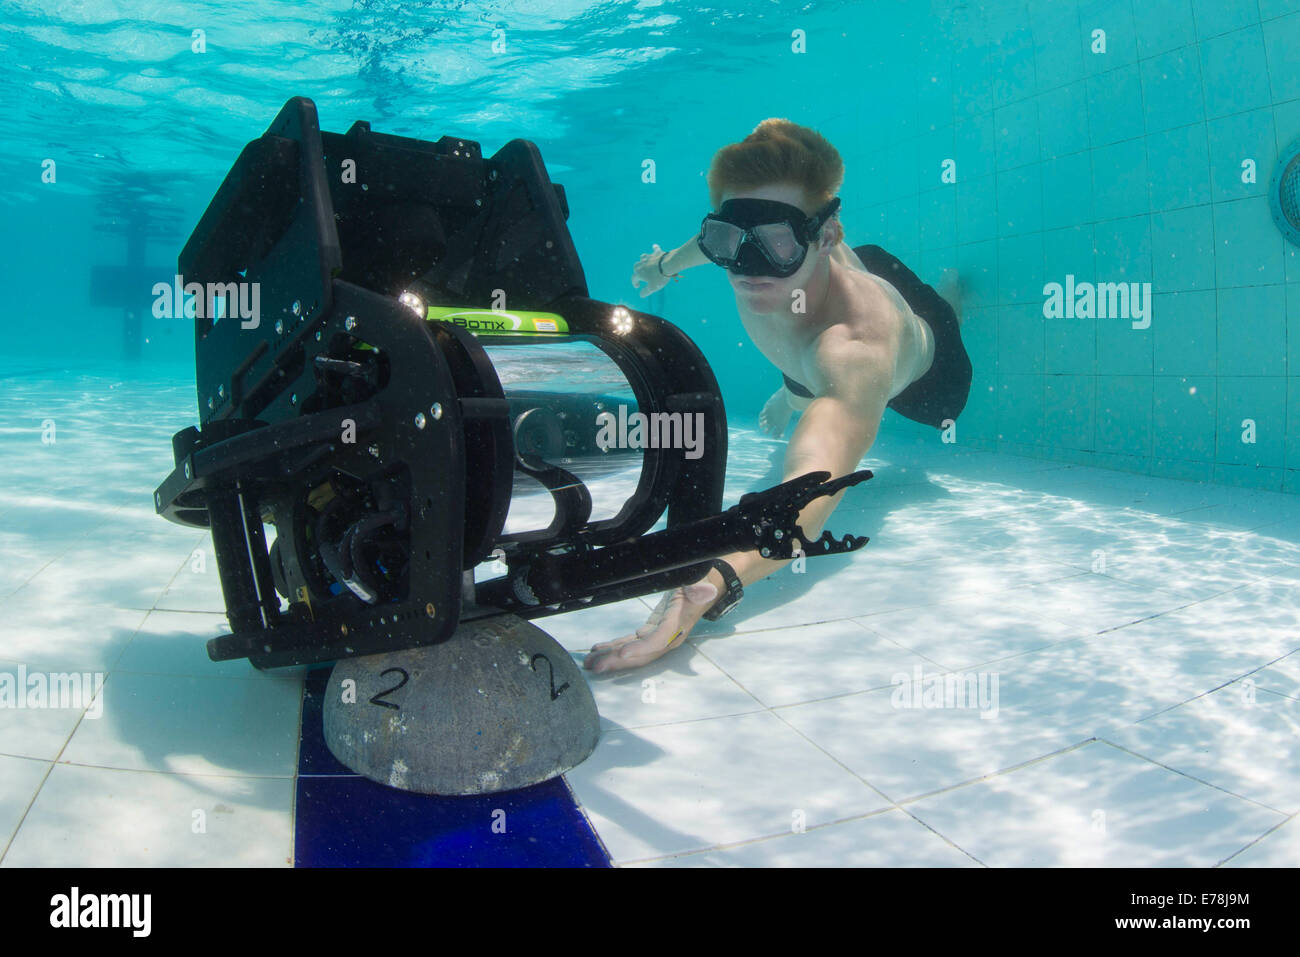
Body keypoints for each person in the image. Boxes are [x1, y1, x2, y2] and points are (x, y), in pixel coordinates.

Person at [583, 118, 971, 673]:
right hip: (843, 283)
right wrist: (666, 266)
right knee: (802, 367)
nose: (747, 266)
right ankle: (795, 392)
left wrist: (707, 584)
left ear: (825, 234)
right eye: (728, 241)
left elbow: (808, 497)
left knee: (929, 326)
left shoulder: (854, 350)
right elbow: (736, 232)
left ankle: (950, 306)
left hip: (925, 373)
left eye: (778, 242)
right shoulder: (756, 249)